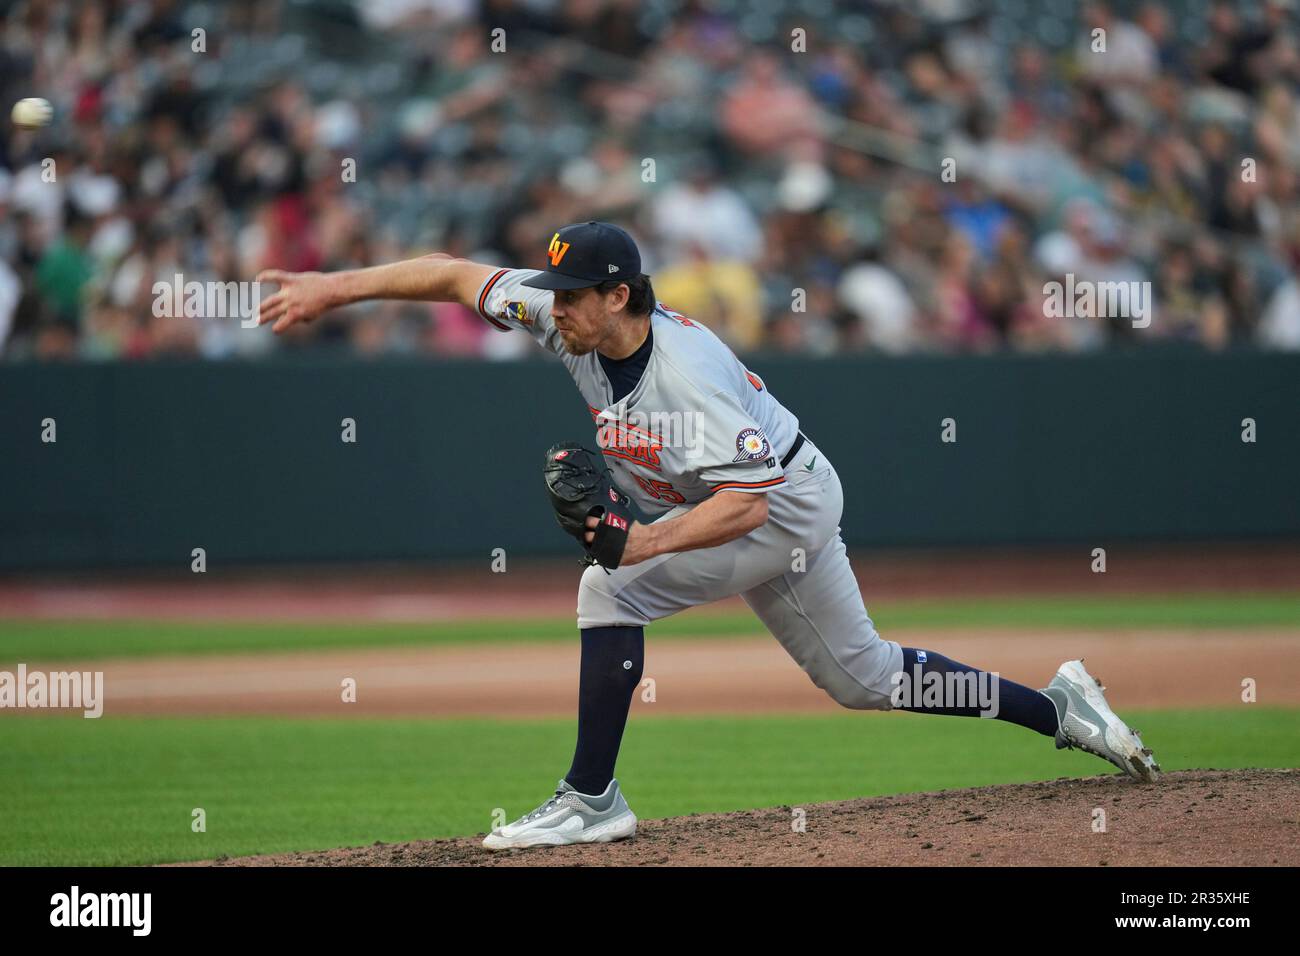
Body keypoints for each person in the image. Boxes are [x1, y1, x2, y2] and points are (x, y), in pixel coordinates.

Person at [256, 220, 1160, 851]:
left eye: (574, 294)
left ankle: (590, 799)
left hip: (782, 503)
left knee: (608, 585)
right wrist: (337, 289)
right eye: (555, 289)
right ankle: (1060, 708)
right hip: (756, 496)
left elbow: (748, 506)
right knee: (866, 679)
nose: (554, 305)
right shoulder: (569, 321)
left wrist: (637, 545)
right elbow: (454, 274)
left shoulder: (682, 376)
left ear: (620, 295)